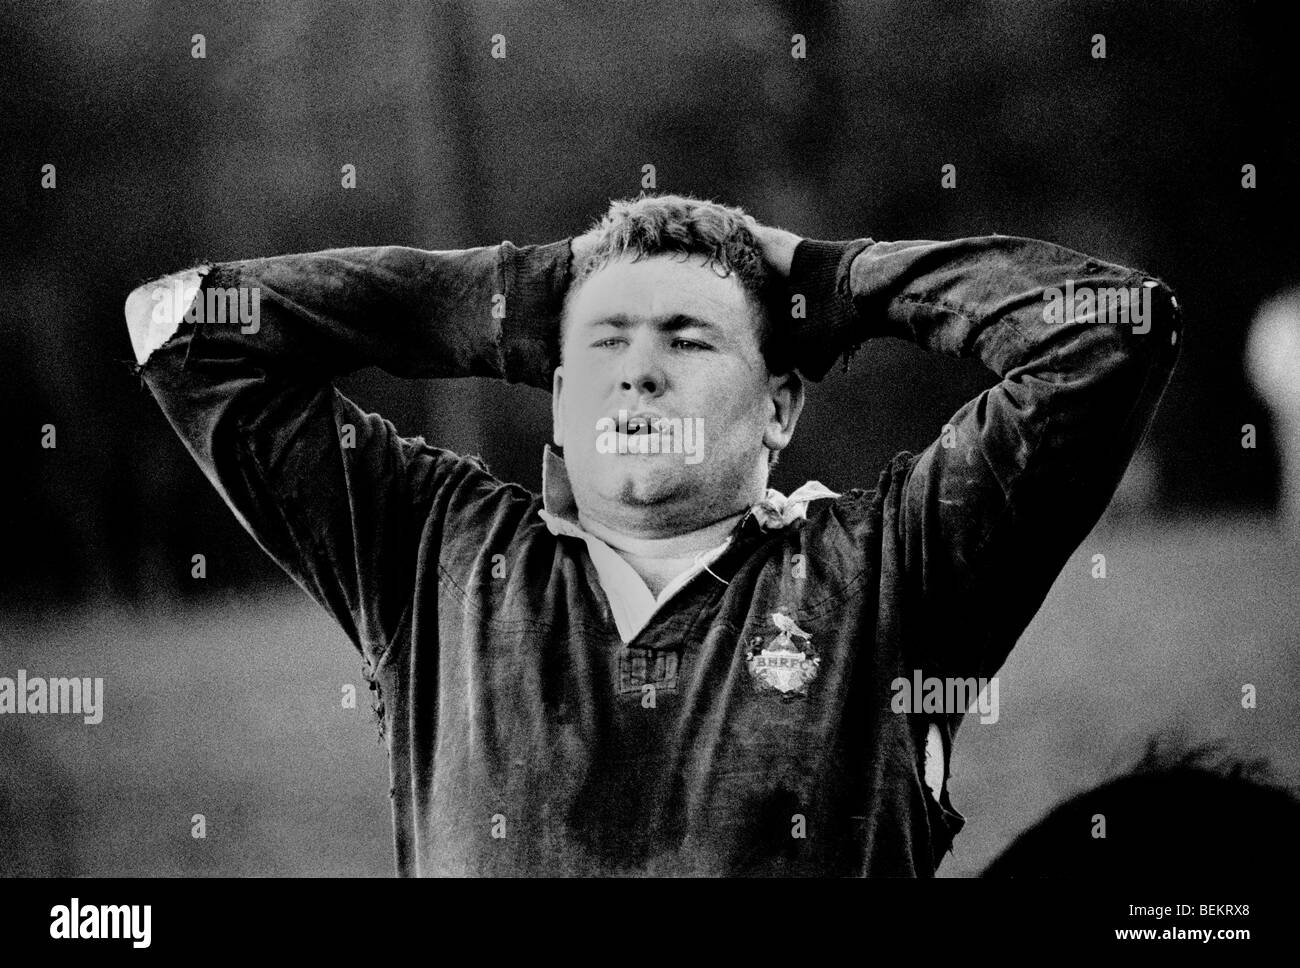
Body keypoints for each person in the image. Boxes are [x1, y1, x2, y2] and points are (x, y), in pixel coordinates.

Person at [124, 192, 1182, 876]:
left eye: (685, 337)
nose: (637, 370)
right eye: (601, 344)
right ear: (552, 394)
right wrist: (503, 298)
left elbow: (1109, 331)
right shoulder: (431, 552)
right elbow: (182, 331)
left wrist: (832, 278)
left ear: (778, 406)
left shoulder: (892, 572)